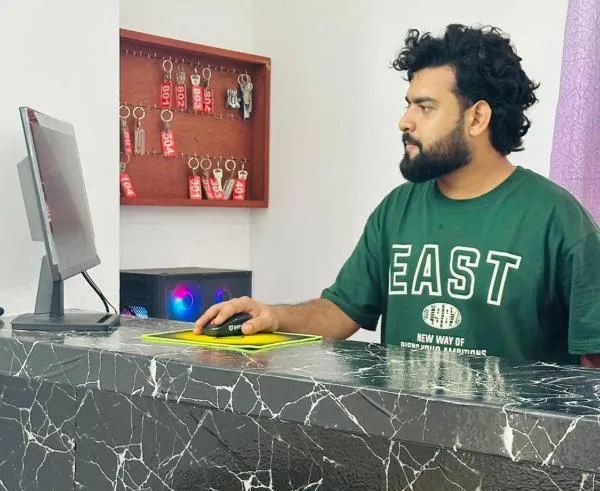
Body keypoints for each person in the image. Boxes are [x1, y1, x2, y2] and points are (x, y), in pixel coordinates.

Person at [194, 24, 600, 367]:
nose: (405, 121)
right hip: (404, 435)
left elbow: (593, 363)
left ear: (477, 117)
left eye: (425, 107)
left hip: (509, 439)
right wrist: (274, 315)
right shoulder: (398, 209)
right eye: (409, 105)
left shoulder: (557, 220)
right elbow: (342, 311)